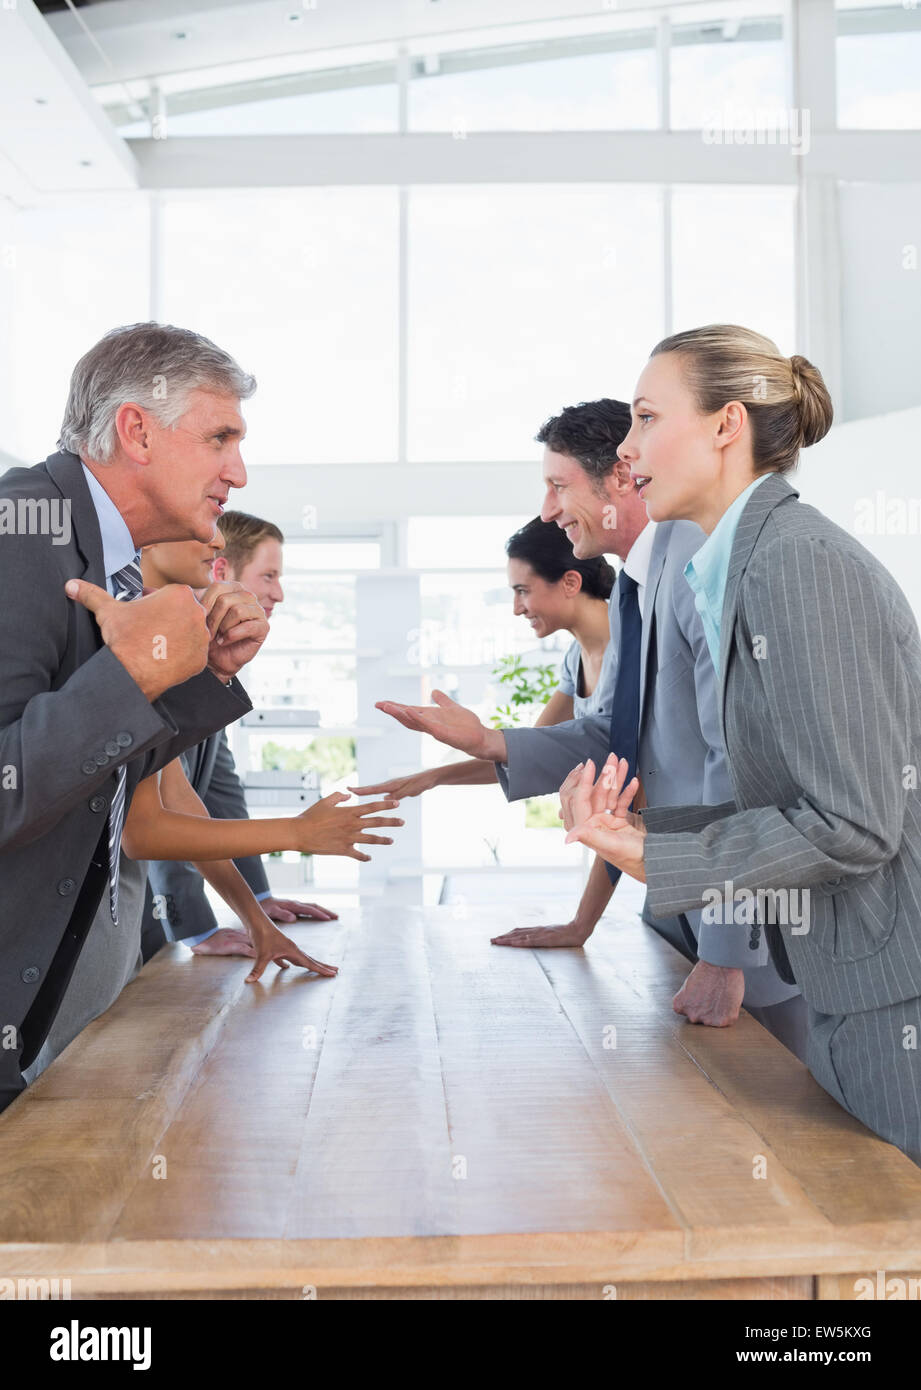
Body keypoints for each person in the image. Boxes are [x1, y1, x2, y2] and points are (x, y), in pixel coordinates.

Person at [564, 323, 921, 1161]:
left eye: (646, 418)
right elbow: (800, 800)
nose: (625, 447)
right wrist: (640, 836)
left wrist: (660, 858)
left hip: (892, 991)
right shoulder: (742, 563)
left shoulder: (796, 564)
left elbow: (853, 822)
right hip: (861, 982)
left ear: (727, 426)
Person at [373, 400, 804, 1052]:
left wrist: (723, 953)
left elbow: (737, 764)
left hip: (757, 934)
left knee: (810, 1134)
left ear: (620, 478)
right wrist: (488, 742)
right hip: (677, 904)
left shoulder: (697, 570)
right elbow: (610, 737)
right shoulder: (636, 587)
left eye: (558, 485)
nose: (547, 510)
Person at [0, 321, 269, 1106]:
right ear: (136, 431)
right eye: (220, 437)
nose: (239, 473)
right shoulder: (21, 536)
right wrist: (139, 671)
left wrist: (196, 677)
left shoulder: (104, 559)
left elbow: (97, 779)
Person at [140, 511, 339, 963]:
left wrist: (260, 898)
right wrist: (198, 928)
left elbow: (219, 793)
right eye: (268, 575)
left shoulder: (210, 650)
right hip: (131, 906)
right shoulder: (162, 640)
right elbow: (167, 808)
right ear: (221, 571)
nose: (278, 593)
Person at [349, 516, 616, 799]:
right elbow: (530, 753)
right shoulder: (575, 659)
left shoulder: (634, 648)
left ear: (571, 583)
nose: (517, 609)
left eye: (523, 591)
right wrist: (433, 777)